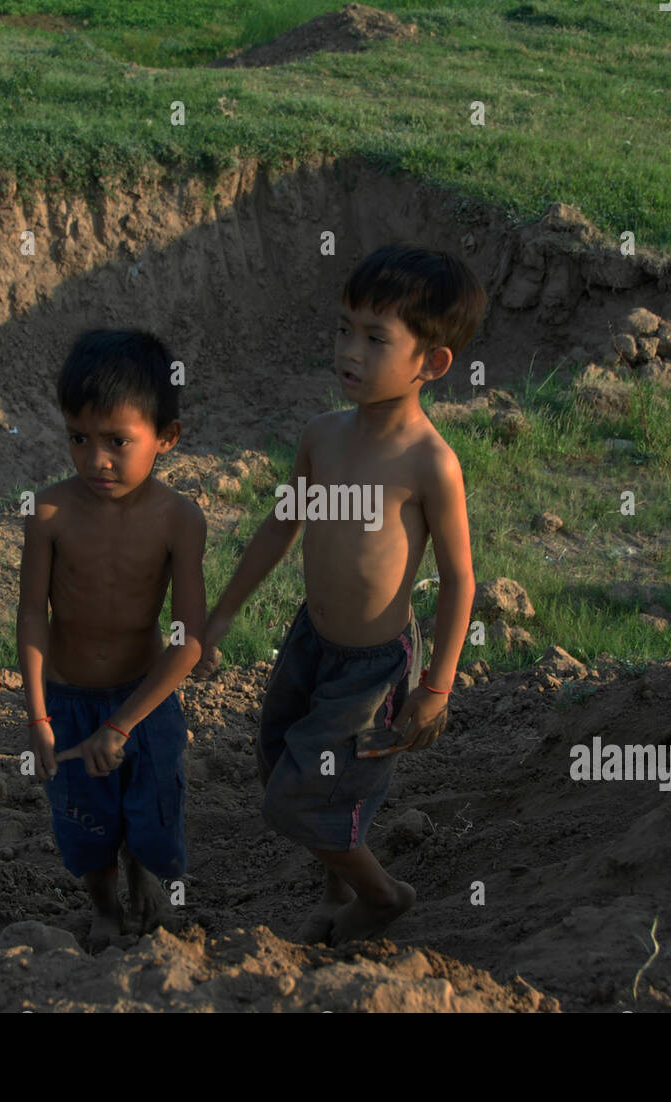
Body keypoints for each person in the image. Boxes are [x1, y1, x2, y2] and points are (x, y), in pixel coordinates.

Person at [195, 243, 483, 945]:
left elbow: (458, 579)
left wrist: (437, 686)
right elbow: (280, 527)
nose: (349, 349)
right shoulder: (322, 437)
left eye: (375, 337)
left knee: (297, 800)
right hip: (309, 643)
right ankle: (335, 874)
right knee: (276, 758)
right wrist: (222, 611)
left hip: (370, 667)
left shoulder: (429, 463)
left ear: (432, 363)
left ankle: (381, 896)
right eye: (343, 328)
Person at [17, 329, 205, 951]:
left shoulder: (178, 520)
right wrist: (40, 715)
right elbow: (33, 617)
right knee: (84, 821)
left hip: (144, 706)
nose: (95, 459)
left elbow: (189, 639)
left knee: (152, 813)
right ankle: (102, 906)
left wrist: (123, 724)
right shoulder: (48, 514)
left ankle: (144, 875)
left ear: (166, 438)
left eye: (117, 442)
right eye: (79, 438)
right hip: (68, 704)